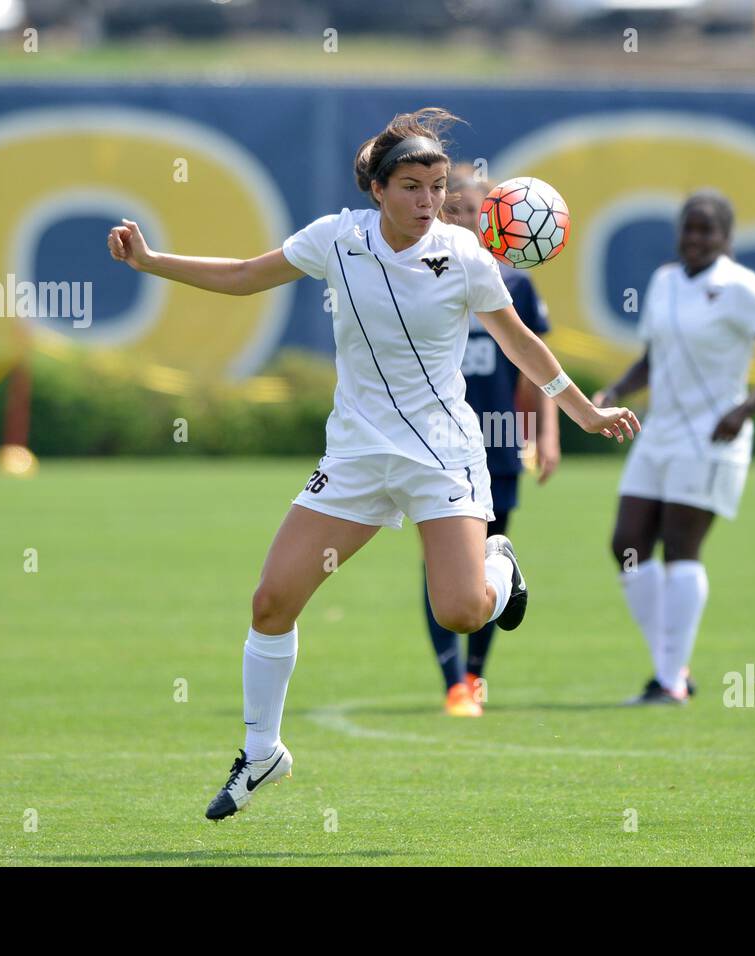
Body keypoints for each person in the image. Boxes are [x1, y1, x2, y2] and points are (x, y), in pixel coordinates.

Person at [107, 108, 640, 819]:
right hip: (356, 457)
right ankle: (262, 752)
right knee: (270, 602)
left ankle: (500, 567)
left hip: (441, 456)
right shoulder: (337, 239)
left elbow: (522, 346)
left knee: (459, 612)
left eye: (437, 185)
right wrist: (150, 262)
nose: (428, 201)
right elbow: (242, 274)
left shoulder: (467, 258)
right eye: (414, 187)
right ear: (379, 190)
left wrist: (583, 413)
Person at [593, 189, 755, 706]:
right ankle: (673, 670)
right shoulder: (663, 280)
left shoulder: (741, 287)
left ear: (727, 237)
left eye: (707, 230)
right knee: (625, 544)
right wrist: (614, 393)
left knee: (679, 548)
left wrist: (743, 410)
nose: (695, 238)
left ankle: (668, 682)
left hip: (712, 437)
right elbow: (652, 357)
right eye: (689, 228)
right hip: (659, 431)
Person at [426, 170, 561, 718]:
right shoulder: (422, 275)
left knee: (487, 556)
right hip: (434, 437)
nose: (458, 220)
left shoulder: (512, 282)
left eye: (469, 212)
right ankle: (453, 681)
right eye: (448, 211)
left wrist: (545, 434)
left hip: (498, 439)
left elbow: (534, 367)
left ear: (493, 217)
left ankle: (477, 675)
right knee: (437, 560)